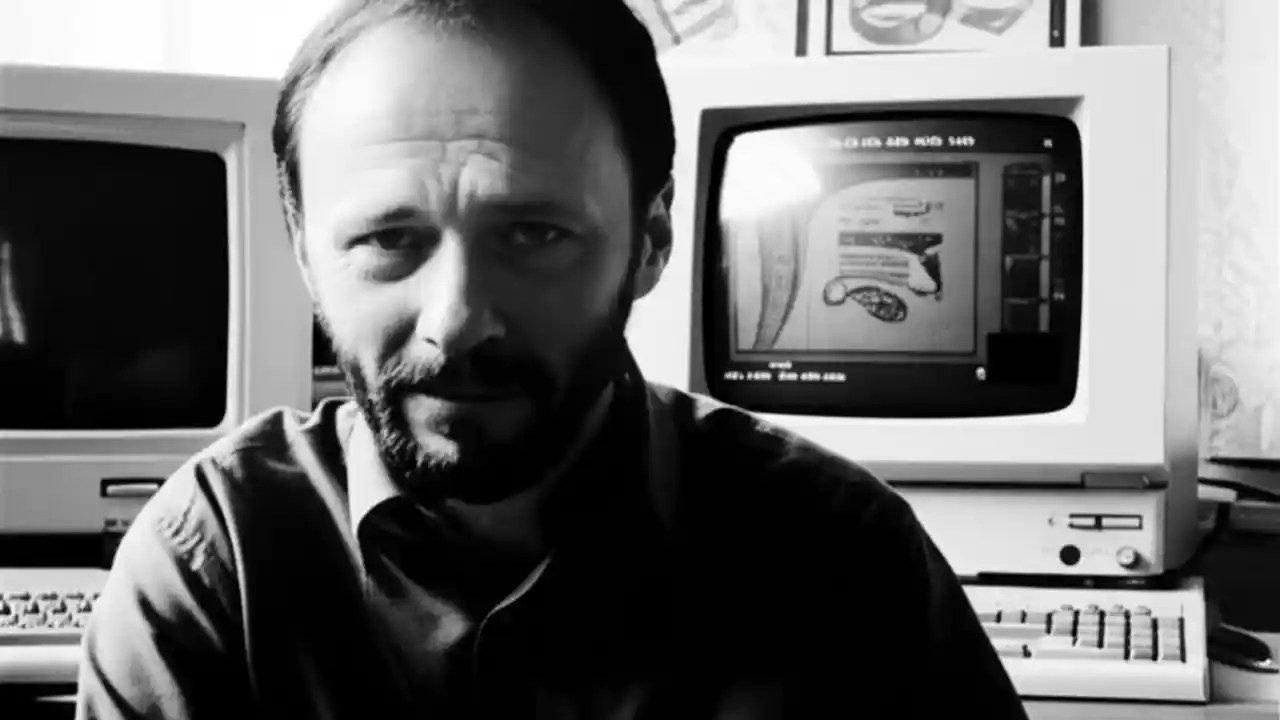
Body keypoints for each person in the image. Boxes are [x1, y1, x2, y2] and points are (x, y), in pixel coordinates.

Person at [75, 0, 1028, 717]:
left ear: (651, 240)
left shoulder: (844, 556)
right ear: (305, 252)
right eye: (388, 240)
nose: (456, 322)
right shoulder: (214, 568)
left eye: (533, 234)